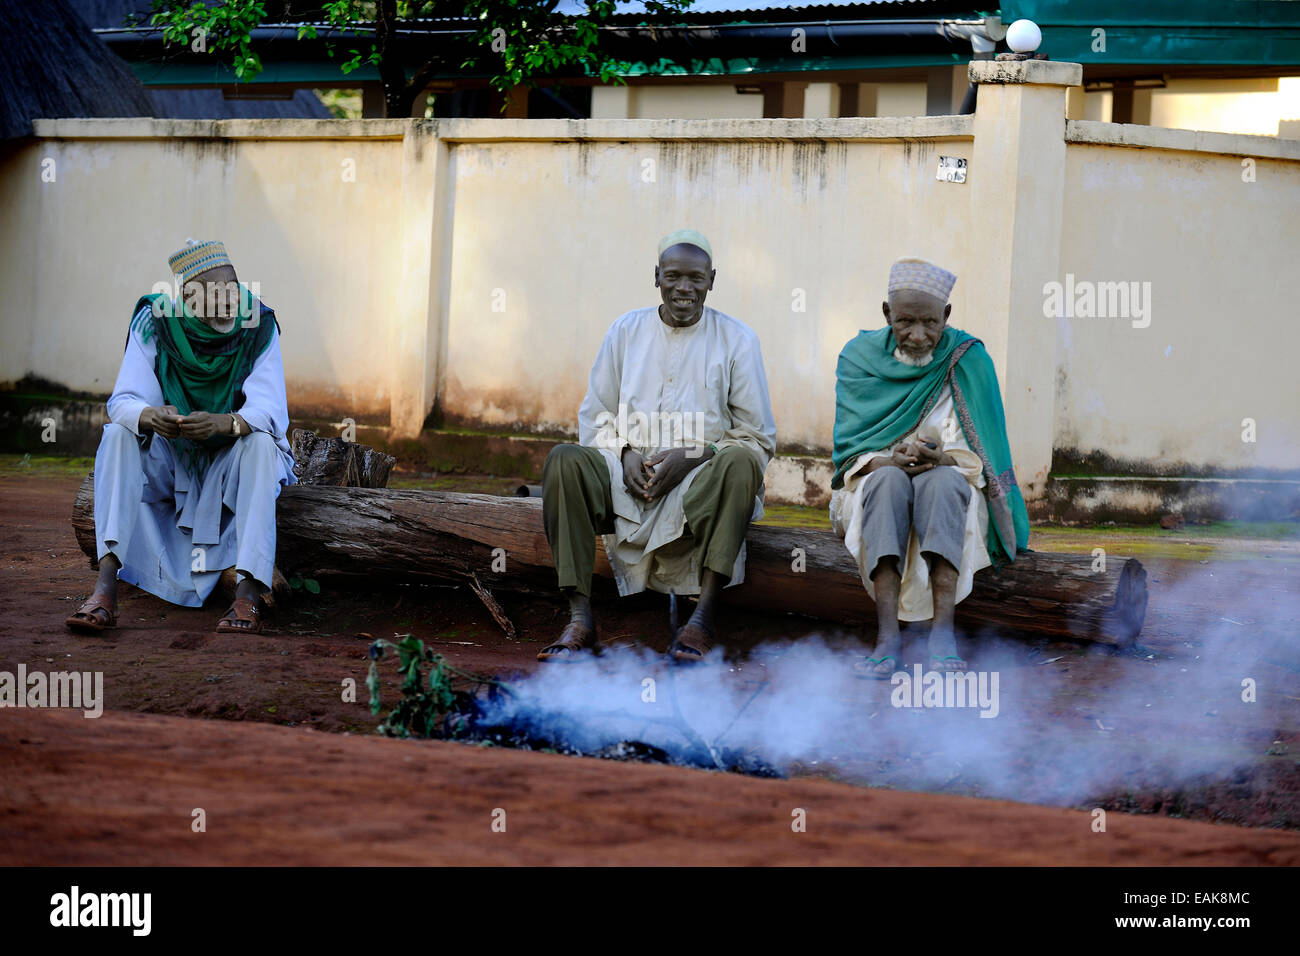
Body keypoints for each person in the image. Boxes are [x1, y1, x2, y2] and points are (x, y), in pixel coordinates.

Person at [538, 230, 777, 663]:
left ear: (711, 280)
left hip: (696, 484)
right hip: (624, 475)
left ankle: (701, 619)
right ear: (656, 277)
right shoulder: (625, 330)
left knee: (741, 462)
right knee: (563, 460)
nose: (684, 288)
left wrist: (697, 455)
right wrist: (624, 451)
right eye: (673, 276)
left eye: (695, 278)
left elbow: (758, 437)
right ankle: (578, 618)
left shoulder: (738, 339)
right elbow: (595, 416)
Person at [64, 239, 296, 635]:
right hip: (173, 460)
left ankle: (247, 596)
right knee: (119, 434)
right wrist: (151, 416)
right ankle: (104, 590)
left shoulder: (258, 323)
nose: (230, 301)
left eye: (233, 288)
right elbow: (123, 401)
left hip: (230, 461)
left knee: (260, 444)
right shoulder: (156, 321)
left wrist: (227, 423)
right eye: (216, 292)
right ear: (188, 296)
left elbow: (270, 410)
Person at [829, 257, 1030, 677]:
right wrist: (889, 459)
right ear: (886, 314)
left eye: (929, 323)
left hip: (952, 478)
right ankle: (887, 636)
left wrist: (941, 458)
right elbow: (850, 452)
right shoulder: (857, 358)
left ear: (947, 317)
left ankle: (943, 634)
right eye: (904, 322)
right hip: (872, 479)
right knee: (886, 483)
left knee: (941, 485)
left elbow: (983, 452)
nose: (918, 335)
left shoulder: (967, 358)